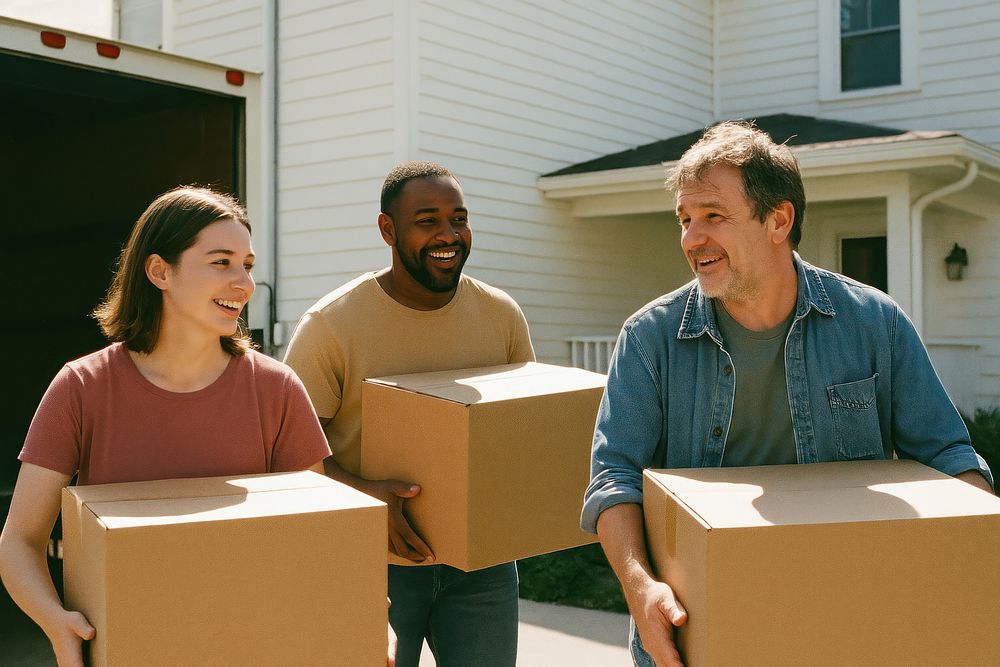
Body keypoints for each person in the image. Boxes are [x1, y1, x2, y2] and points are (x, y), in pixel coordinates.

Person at [580, 121, 995, 667]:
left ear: (779, 219)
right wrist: (640, 590)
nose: (691, 239)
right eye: (685, 220)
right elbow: (614, 478)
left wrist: (978, 552)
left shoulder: (873, 324)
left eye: (713, 216)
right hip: (698, 626)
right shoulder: (650, 338)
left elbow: (947, 456)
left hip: (847, 615)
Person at [0, 187, 336, 667]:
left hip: (256, 644)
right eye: (221, 262)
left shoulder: (277, 389)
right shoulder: (82, 387)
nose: (243, 282)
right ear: (159, 271)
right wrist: (56, 622)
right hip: (126, 648)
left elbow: (322, 536)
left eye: (247, 264)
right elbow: (19, 541)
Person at [284, 161, 535, 667]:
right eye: (427, 221)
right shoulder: (332, 325)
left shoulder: (500, 315)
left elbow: (521, 428)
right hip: (371, 563)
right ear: (387, 229)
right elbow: (284, 453)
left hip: (482, 563)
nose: (449, 234)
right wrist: (363, 494)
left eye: (458, 219)